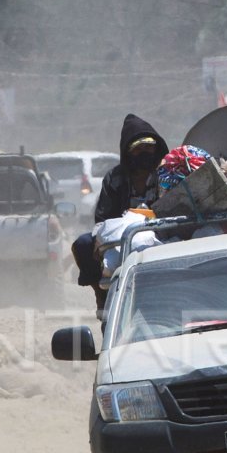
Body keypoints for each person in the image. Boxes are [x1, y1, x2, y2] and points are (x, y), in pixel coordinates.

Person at [71, 114, 167, 311]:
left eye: (148, 147)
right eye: (138, 149)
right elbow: (103, 218)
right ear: (128, 153)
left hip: (164, 232)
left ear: (156, 148)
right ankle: (102, 296)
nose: (144, 153)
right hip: (122, 238)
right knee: (83, 244)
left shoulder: (167, 173)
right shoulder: (115, 179)